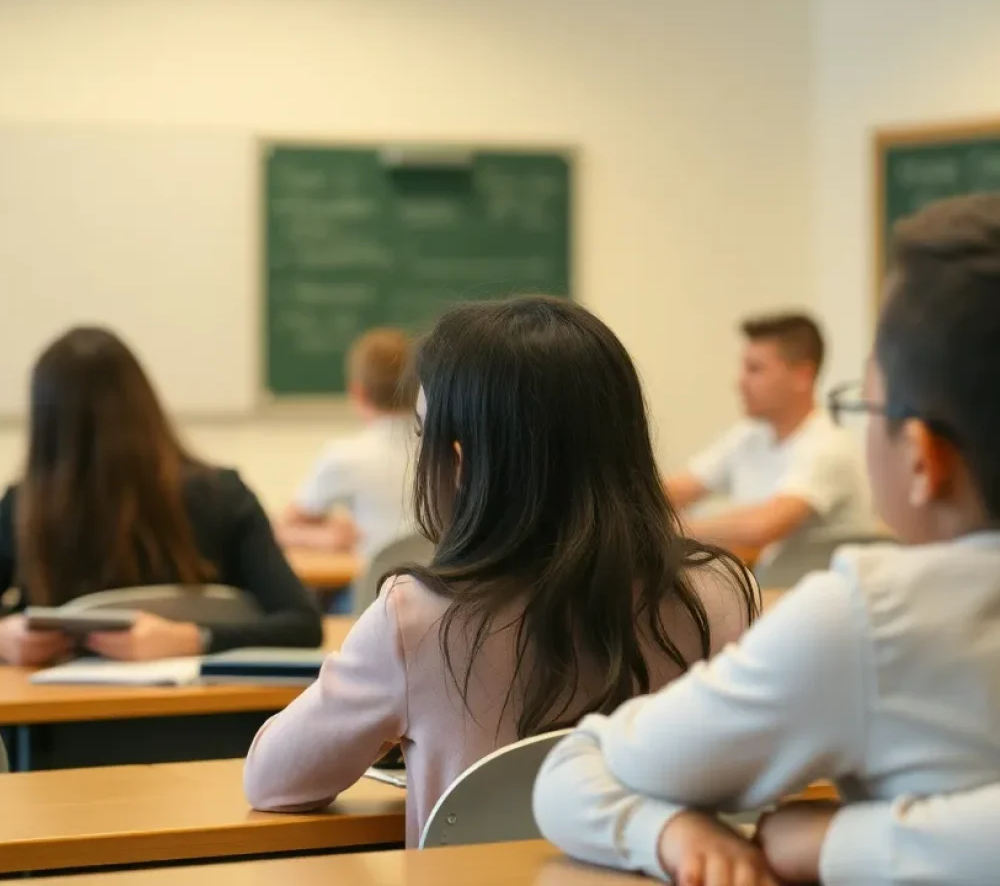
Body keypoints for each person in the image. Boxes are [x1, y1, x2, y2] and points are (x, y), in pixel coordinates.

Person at [533, 194, 1000, 886]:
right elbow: (682, 489)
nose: (739, 380)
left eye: (866, 405)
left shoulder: (872, 618)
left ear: (922, 460)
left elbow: (572, 771)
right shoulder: (749, 441)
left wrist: (831, 845)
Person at [243, 297, 758, 845]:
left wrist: (396, 713)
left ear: (461, 461)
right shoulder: (722, 592)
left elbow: (273, 781)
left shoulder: (414, 617)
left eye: (424, 437)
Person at [0, 327, 322, 666]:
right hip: (208, 721)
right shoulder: (224, 496)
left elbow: (303, 625)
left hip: (61, 722)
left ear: (45, 425)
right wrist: (193, 638)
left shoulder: (27, 508)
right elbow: (301, 622)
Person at [666, 312, 874, 569]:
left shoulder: (829, 447)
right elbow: (680, 488)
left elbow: (763, 526)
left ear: (802, 376)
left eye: (755, 369)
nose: (740, 382)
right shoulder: (749, 435)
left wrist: (669, 529)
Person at [275, 328, 417, 561]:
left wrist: (322, 537)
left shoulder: (346, 456)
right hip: (445, 593)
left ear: (358, 393)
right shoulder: (449, 453)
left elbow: (282, 527)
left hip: (372, 592)